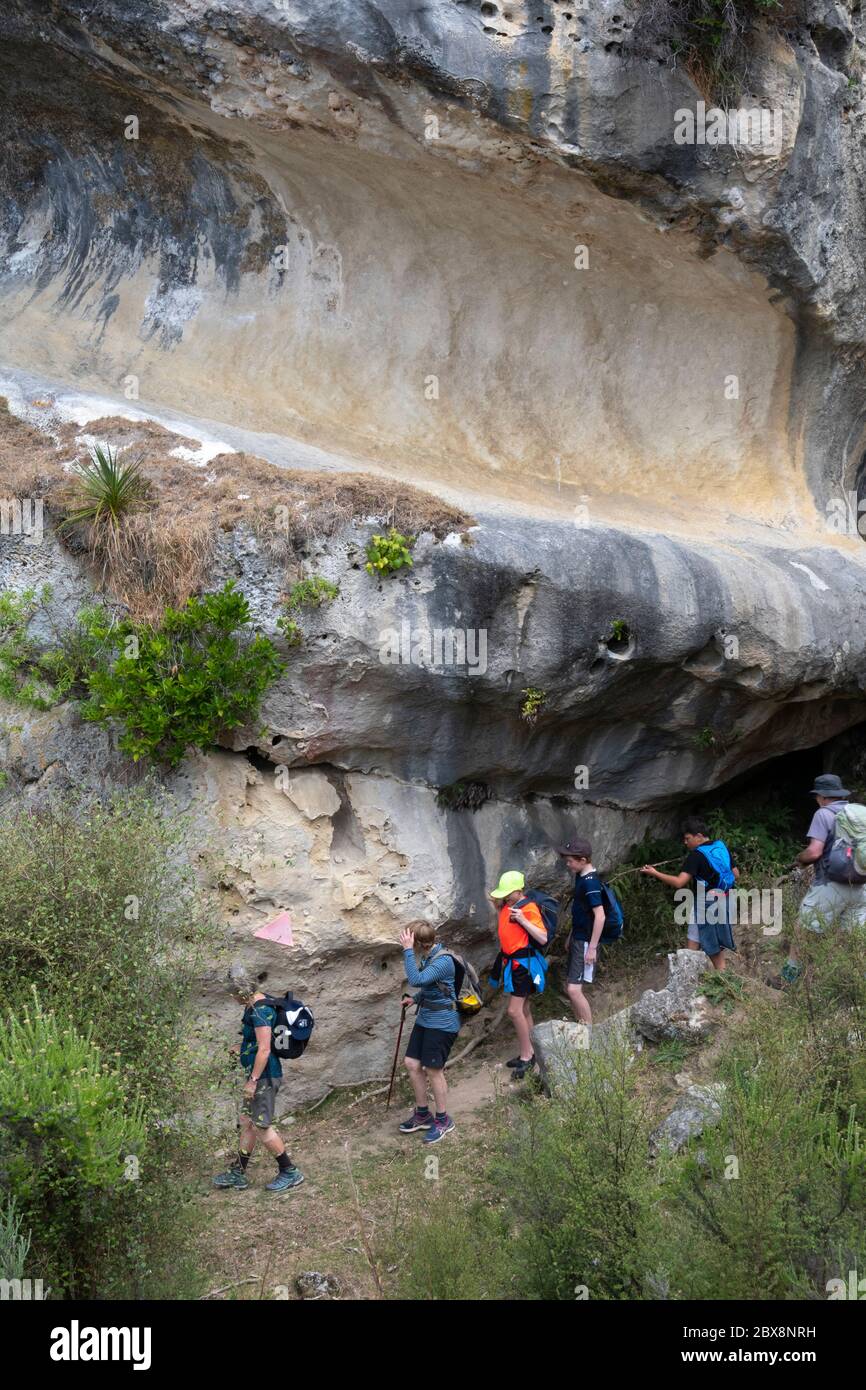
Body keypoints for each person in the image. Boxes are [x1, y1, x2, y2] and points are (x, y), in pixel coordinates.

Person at [212, 968, 305, 1193]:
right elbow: (256, 1042)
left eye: (233, 993)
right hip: (259, 1075)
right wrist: (241, 1048)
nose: (232, 997)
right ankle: (238, 1173)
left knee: (261, 1127)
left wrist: (252, 1081)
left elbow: (264, 1049)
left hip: (264, 1077)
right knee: (247, 1122)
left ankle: (290, 1171)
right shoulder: (257, 1003)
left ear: (241, 993)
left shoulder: (260, 1011)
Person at [781, 773, 866, 983]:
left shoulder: (824, 814)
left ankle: (788, 980)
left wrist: (799, 858)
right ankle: (856, 986)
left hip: (831, 885)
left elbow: (814, 852)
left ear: (821, 796)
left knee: (803, 928)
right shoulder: (860, 813)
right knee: (854, 939)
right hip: (861, 887)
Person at [641, 817, 738, 971]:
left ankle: (724, 983)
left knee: (713, 949)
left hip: (707, 905)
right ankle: (688, 976)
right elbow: (736, 874)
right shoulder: (720, 846)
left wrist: (654, 873)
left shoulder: (696, 855)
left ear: (699, 836)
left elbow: (679, 882)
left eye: (688, 838)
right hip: (726, 901)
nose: (685, 842)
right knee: (694, 938)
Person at [397, 923, 459, 1144]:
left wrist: (406, 950)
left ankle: (443, 1120)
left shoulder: (443, 961)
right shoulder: (428, 956)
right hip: (427, 1019)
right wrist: (416, 999)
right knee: (412, 1063)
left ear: (415, 942)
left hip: (443, 1023)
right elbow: (431, 987)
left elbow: (417, 980)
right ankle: (423, 1114)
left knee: (433, 1070)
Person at [489, 870, 548, 1079]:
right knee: (523, 1008)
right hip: (512, 964)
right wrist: (499, 905)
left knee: (514, 1011)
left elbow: (542, 938)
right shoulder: (506, 906)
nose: (504, 896)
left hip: (524, 965)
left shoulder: (528, 908)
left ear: (518, 890)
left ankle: (527, 1055)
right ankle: (533, 1051)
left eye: (508, 893)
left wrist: (523, 920)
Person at [557, 839, 606, 1027]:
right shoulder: (581, 877)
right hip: (578, 938)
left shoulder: (591, 883)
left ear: (583, 860)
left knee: (574, 990)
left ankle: (588, 1035)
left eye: (570, 861)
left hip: (586, 941)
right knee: (572, 989)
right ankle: (582, 1031)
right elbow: (580, 912)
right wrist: (571, 935)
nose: (567, 865)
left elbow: (599, 916)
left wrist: (592, 948)